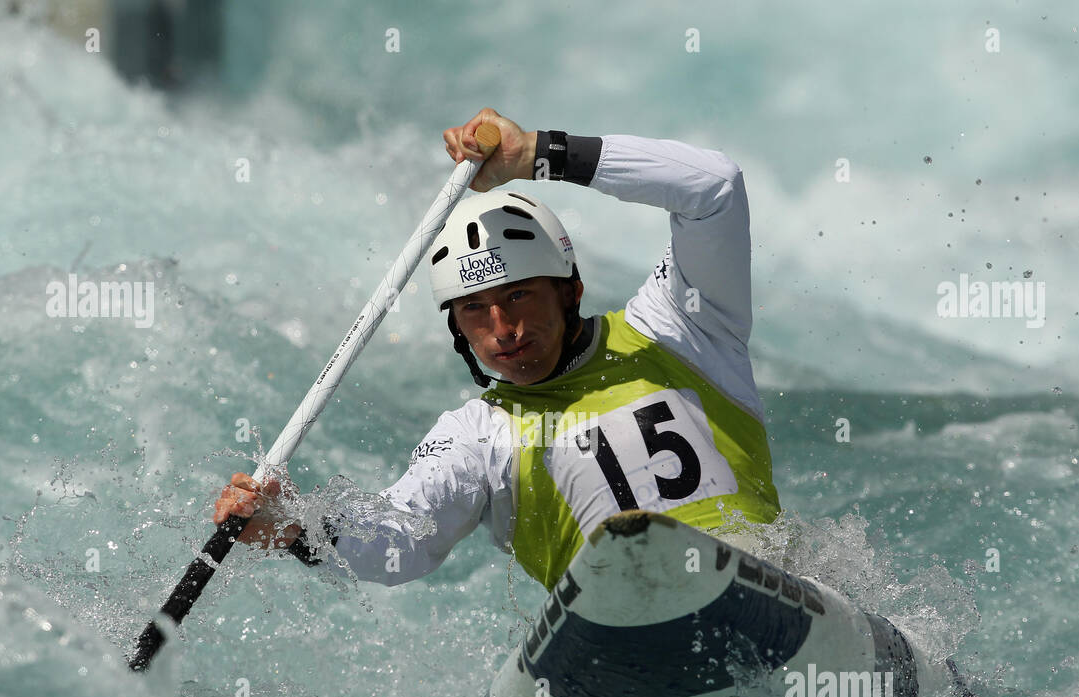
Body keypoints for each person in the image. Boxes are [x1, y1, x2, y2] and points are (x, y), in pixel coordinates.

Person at [213, 107, 781, 593]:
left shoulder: (680, 328)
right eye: (474, 310)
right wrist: (293, 527)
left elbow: (715, 188)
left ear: (571, 292)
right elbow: (402, 539)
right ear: (457, 329)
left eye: (519, 296)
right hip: (616, 637)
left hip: (764, 584)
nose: (502, 327)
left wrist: (538, 153)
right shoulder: (478, 436)